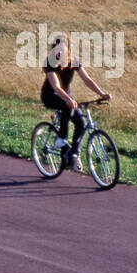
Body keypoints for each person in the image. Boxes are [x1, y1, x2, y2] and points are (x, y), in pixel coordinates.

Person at [41, 31, 110, 173]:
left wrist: (102, 94)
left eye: (62, 48)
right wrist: (69, 99)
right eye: (56, 48)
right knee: (68, 105)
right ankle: (61, 138)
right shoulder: (49, 62)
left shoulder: (74, 62)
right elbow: (56, 87)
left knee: (81, 123)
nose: (59, 52)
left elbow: (87, 80)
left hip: (66, 95)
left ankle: (73, 154)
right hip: (50, 95)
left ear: (68, 48)